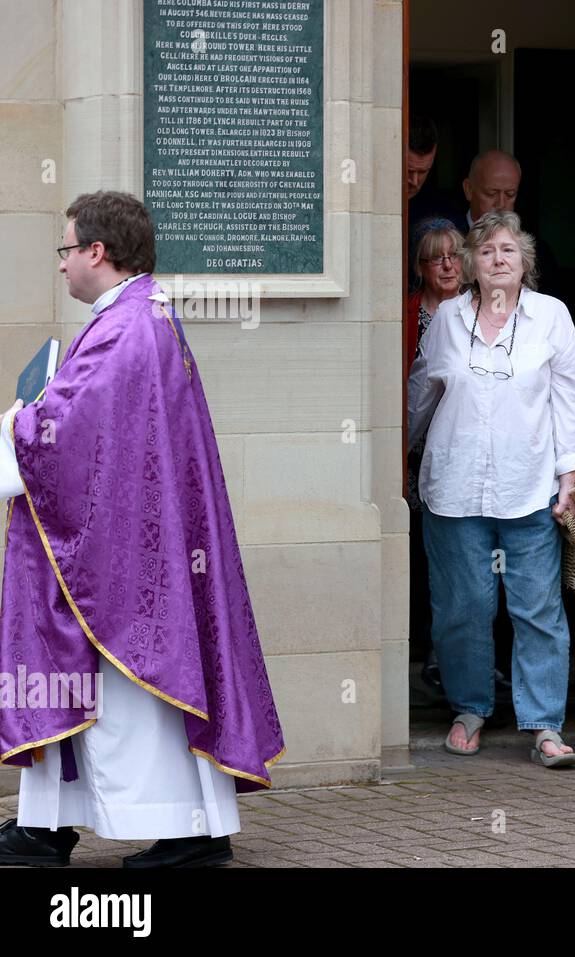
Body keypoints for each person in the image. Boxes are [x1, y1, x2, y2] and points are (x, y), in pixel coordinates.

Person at [0, 191, 285, 867]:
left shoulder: (128, 328)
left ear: (98, 251)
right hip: (132, 545)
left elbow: (68, 435)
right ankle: (44, 826)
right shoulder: (136, 315)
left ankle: (191, 834)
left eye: (67, 250)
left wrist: (16, 423)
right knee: (78, 676)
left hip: (128, 562)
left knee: (130, 695)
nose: (62, 265)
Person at [407, 211, 575, 767]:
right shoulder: (446, 322)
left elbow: (568, 401)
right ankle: (470, 709)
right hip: (455, 486)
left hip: (528, 485)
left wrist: (568, 477)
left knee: (537, 608)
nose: (498, 260)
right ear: (470, 265)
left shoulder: (551, 317)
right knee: (463, 607)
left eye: (508, 250)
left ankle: (544, 725)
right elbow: (423, 391)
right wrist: (400, 453)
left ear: (524, 262)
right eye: (486, 252)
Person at [406, 218, 464, 697]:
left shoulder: (480, 311)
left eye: (454, 255)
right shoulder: (408, 314)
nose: (447, 265)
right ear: (420, 267)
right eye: (435, 257)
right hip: (418, 449)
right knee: (427, 555)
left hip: (465, 445)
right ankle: (430, 652)